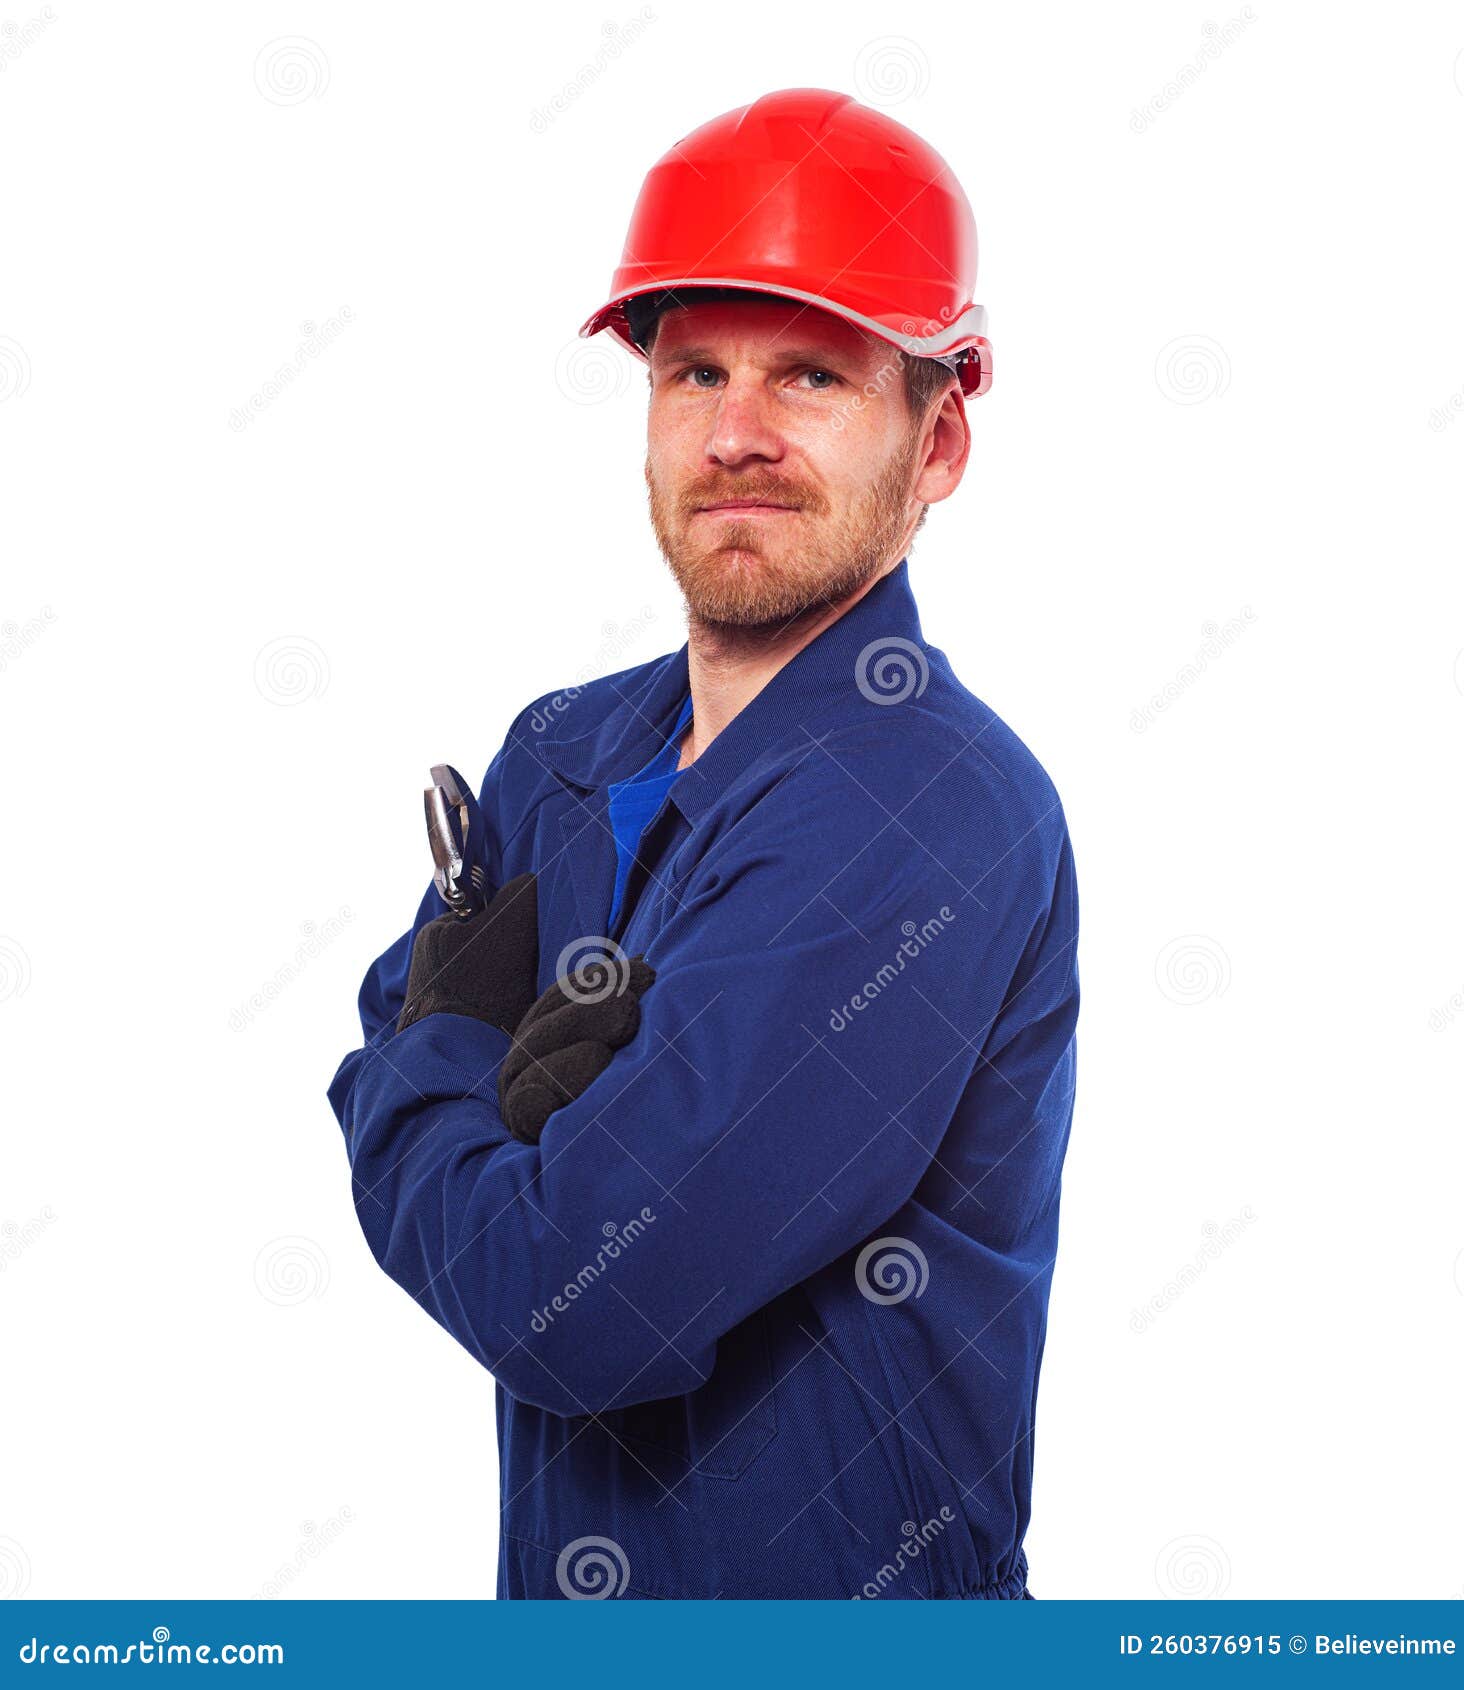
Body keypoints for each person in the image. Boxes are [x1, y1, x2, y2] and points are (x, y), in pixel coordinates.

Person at [327, 88, 1079, 1601]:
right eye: (695, 372)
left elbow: (565, 1304)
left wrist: (452, 1062)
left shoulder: (922, 807)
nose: (736, 433)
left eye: (811, 373)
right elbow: (363, 1046)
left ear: (937, 441)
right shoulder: (562, 749)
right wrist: (482, 1103)